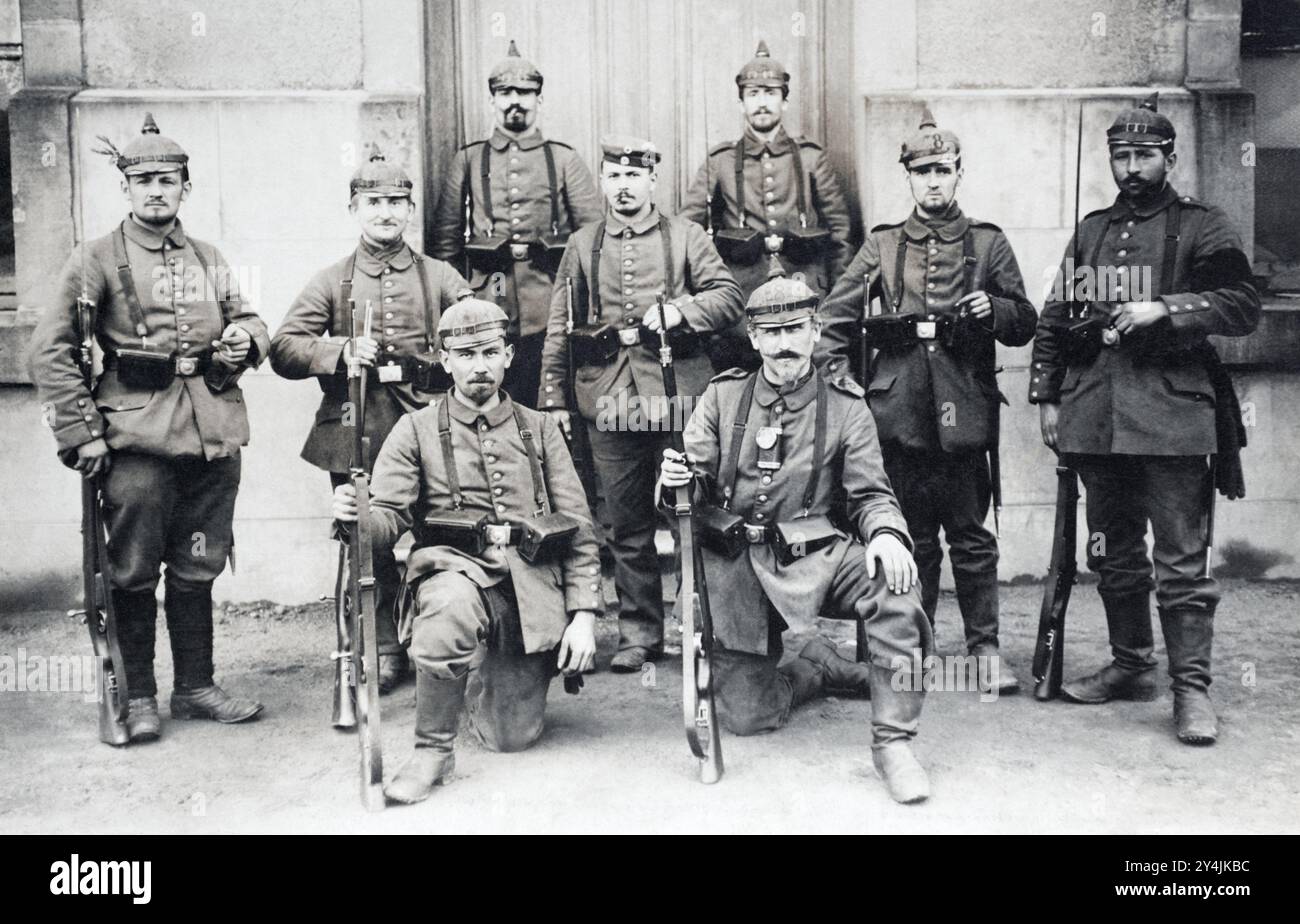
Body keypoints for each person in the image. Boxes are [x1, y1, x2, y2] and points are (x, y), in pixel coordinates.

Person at [29, 113, 269, 742]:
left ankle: (195, 686)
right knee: (133, 570)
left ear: (186, 186)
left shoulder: (208, 256)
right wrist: (81, 432)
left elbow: (248, 315)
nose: (156, 190)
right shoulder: (95, 260)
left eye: (168, 179)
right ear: (127, 191)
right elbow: (49, 352)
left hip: (212, 433)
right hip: (136, 440)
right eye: (144, 181)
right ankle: (138, 696)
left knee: (198, 563)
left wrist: (247, 337)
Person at [1029, 94, 1260, 744]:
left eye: (1144, 155)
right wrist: (1049, 397)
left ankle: (1192, 691)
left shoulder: (1201, 226)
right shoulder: (1094, 230)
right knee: (1113, 553)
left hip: (1173, 419)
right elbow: (1053, 319)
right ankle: (1131, 665)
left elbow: (1243, 305)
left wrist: (1167, 308)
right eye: (1121, 156)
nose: (1131, 167)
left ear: (1170, 157)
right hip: (1096, 420)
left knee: (1182, 562)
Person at [659, 269, 934, 803]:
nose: (785, 344)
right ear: (755, 338)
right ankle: (814, 668)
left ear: (815, 331)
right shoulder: (721, 398)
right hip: (736, 563)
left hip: (817, 556)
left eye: (796, 330)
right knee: (748, 717)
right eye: (772, 332)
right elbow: (687, 490)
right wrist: (675, 483)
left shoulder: (848, 407)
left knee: (896, 586)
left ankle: (895, 744)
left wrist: (885, 535)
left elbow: (871, 493)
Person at [331, 299, 602, 804]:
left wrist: (583, 613)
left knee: (510, 738)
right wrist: (359, 516)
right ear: (445, 358)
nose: (479, 365)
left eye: (490, 352)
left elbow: (579, 527)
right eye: (466, 353)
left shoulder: (540, 429)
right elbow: (389, 515)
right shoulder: (413, 429)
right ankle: (433, 748)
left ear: (508, 356)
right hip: (455, 571)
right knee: (448, 608)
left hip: (530, 587)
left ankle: (481, 674)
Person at [816, 109, 1037, 693]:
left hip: (965, 413)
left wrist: (997, 309)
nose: (933, 181)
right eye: (922, 171)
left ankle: (985, 651)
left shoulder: (989, 244)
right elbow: (832, 320)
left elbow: (1026, 322)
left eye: (943, 170)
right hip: (896, 417)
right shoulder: (883, 246)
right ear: (908, 178)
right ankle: (914, 647)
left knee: (970, 537)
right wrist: (846, 390)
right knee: (907, 537)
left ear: (960, 173)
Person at [538, 135, 743, 673]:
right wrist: (555, 397)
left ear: (653, 180)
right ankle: (639, 632)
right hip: (607, 397)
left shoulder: (686, 236)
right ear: (603, 181)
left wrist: (682, 310)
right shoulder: (583, 245)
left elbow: (728, 297)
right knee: (625, 521)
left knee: (690, 511)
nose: (623, 187)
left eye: (634, 176)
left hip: (678, 396)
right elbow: (559, 325)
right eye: (614, 176)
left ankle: (702, 624)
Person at [270, 147, 472, 693]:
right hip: (359, 430)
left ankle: (436, 638)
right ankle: (379, 644)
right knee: (368, 542)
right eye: (373, 202)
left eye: (396, 202)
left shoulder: (438, 276)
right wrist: (336, 352)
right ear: (354, 209)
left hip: (433, 429)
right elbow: (283, 348)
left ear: (410, 210)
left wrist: (449, 354)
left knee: (442, 534)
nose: (385, 212)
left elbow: (478, 329)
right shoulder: (332, 281)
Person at [431, 40, 603, 408]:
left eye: (525, 93)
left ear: (539, 100)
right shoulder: (469, 159)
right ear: (492, 100)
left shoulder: (563, 159)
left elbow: (594, 241)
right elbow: (443, 248)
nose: (515, 101)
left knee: (546, 398)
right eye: (505, 92)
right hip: (485, 296)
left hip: (548, 299)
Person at [679, 40, 851, 371]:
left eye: (770, 93)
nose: (762, 103)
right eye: (753, 94)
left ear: (784, 101)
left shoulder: (811, 157)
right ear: (741, 102)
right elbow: (689, 231)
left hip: (805, 284)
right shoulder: (721, 161)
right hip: (741, 294)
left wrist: (834, 299)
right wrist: (706, 291)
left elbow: (840, 233)